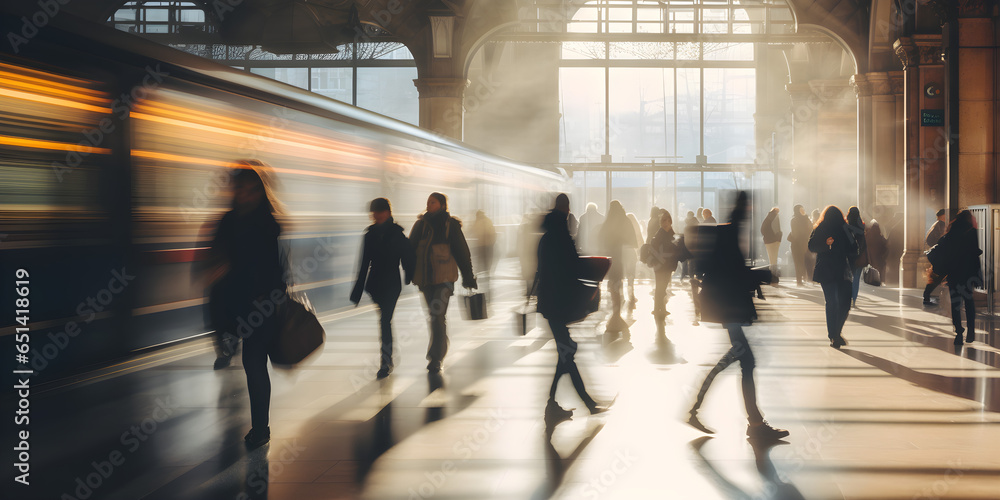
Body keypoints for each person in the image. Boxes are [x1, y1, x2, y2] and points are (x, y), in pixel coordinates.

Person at [686, 191, 788, 441]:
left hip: (726, 307)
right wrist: (766, 276)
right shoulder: (732, 235)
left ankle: (697, 409)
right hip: (728, 307)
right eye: (750, 206)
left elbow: (732, 272)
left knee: (737, 359)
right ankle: (753, 423)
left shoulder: (730, 232)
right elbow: (734, 273)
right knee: (746, 362)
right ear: (746, 208)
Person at [209, 161, 286, 448]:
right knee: (250, 363)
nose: (244, 194)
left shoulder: (267, 223)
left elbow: (276, 270)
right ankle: (260, 428)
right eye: (239, 188)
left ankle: (260, 428)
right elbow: (215, 259)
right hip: (232, 303)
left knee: (253, 363)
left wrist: (269, 296)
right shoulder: (227, 221)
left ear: (258, 191)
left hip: (260, 305)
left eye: (250, 189)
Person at [537, 194, 608, 418]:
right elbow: (573, 266)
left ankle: (559, 404)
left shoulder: (547, 236)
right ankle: (586, 403)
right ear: (567, 210)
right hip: (558, 301)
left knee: (566, 352)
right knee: (567, 352)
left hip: (549, 301)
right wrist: (598, 268)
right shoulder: (562, 237)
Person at [409, 192, 477, 373]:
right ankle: (439, 348)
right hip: (425, 280)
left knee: (437, 316)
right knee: (433, 316)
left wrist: (468, 277)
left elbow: (462, 252)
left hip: (445, 280)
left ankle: (436, 357)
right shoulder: (420, 225)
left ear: (441, 205)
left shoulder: (450, 225)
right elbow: (410, 250)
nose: (429, 205)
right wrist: (409, 273)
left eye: (433, 202)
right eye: (428, 202)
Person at [351, 198, 415, 379]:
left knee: (385, 320)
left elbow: (407, 257)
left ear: (388, 212)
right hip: (376, 285)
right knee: (385, 320)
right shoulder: (369, 235)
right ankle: (387, 358)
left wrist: (410, 275)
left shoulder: (397, 234)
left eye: (379, 211)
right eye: (374, 212)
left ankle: (385, 361)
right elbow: (364, 263)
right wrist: (358, 290)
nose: (376, 215)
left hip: (392, 284)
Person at [808, 206, 858, 349]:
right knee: (845, 303)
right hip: (843, 271)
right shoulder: (846, 228)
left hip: (826, 271)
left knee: (831, 302)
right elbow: (854, 248)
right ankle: (836, 333)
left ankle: (833, 335)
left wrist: (826, 245)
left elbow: (811, 246)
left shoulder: (821, 227)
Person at [933, 210, 982, 345]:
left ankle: (959, 333)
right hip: (967, 273)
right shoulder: (972, 232)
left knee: (956, 304)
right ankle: (971, 331)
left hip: (954, 273)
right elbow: (974, 254)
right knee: (969, 302)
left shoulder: (950, 233)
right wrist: (978, 275)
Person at [599, 201, 638, 335]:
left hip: (612, 258)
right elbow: (632, 238)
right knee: (619, 282)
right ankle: (617, 313)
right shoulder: (625, 220)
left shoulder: (609, 220)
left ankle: (615, 312)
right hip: (623, 256)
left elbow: (602, 237)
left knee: (613, 284)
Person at [647, 210, 679, 317]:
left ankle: (661, 308)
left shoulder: (671, 233)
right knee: (660, 286)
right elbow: (655, 248)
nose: (666, 222)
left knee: (663, 287)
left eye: (668, 220)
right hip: (660, 264)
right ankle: (658, 309)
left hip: (668, 264)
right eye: (664, 220)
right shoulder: (660, 233)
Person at [923, 209, 947, 306]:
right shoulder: (941, 225)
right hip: (939, 256)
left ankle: (929, 296)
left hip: (937, 255)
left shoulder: (936, 224)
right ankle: (928, 297)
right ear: (943, 215)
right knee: (937, 277)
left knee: (937, 276)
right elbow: (937, 240)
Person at [846, 207, 868, 307]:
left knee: (848, 277)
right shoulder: (862, 227)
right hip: (859, 257)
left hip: (849, 256)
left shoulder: (846, 227)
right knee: (856, 279)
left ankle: (847, 298)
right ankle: (853, 299)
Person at [788, 205, 812, 286]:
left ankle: (799, 279)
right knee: (803, 260)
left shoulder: (793, 220)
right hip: (804, 243)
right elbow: (810, 229)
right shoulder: (806, 219)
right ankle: (803, 277)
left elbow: (794, 233)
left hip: (796, 243)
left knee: (798, 261)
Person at [470, 210, 498, 279]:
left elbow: (472, 230)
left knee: (481, 259)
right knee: (487, 259)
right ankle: (487, 271)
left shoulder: (479, 222)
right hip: (488, 244)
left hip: (482, 244)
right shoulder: (488, 221)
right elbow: (493, 232)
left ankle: (482, 272)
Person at [626, 212, 645, 308]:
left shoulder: (624, 227)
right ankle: (631, 295)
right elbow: (640, 240)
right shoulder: (636, 228)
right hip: (632, 253)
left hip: (623, 253)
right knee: (631, 275)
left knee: (623, 274)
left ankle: (622, 293)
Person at [760, 207, 782, 284]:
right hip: (774, 241)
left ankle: (771, 276)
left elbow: (762, 229)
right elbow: (776, 229)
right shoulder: (775, 216)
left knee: (771, 259)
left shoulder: (768, 217)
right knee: (774, 259)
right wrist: (778, 236)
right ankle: (774, 277)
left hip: (767, 241)